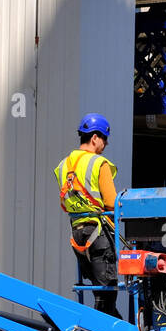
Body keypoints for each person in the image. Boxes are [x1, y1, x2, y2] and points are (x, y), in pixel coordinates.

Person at [54, 113, 121, 319]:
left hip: (78, 236)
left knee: (98, 293)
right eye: (104, 139)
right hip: (99, 234)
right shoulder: (98, 163)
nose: (106, 144)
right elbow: (111, 202)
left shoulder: (63, 165)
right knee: (108, 291)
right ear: (94, 138)